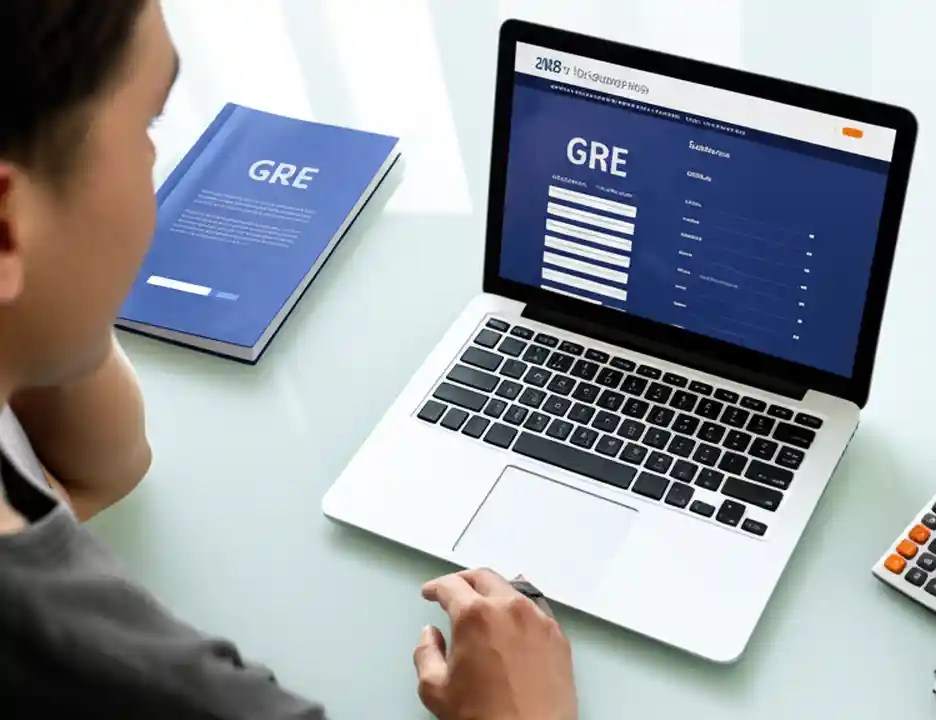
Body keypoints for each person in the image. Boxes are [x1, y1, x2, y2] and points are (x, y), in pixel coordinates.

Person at [0, 1, 577, 717]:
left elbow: (103, 468)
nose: (158, 173)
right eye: (147, 127)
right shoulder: (145, 688)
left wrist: (46, 296)